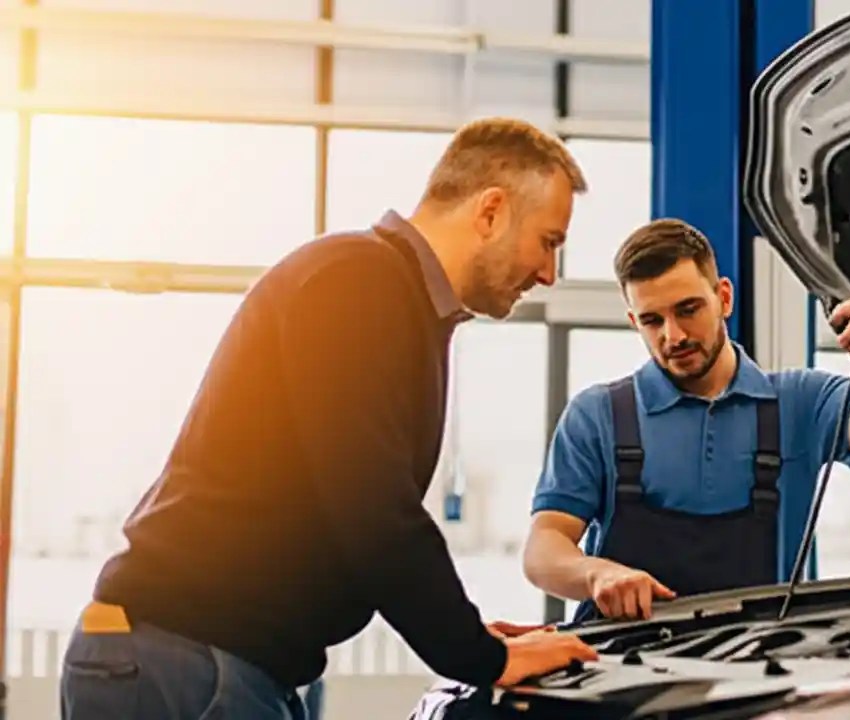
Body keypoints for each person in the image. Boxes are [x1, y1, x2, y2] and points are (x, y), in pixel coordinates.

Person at [59, 117, 599, 719]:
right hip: (185, 659)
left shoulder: (399, 301)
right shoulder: (358, 284)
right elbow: (374, 509)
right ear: (491, 212)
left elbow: (350, 516)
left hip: (223, 659)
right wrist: (479, 657)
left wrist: (474, 639)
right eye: (549, 241)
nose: (549, 272)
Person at [522, 218, 850, 623]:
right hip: (620, 671)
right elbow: (543, 549)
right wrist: (596, 573)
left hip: (754, 667)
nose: (674, 335)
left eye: (688, 309)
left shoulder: (800, 404)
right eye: (652, 320)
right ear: (634, 322)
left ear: (724, 297)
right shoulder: (597, 416)